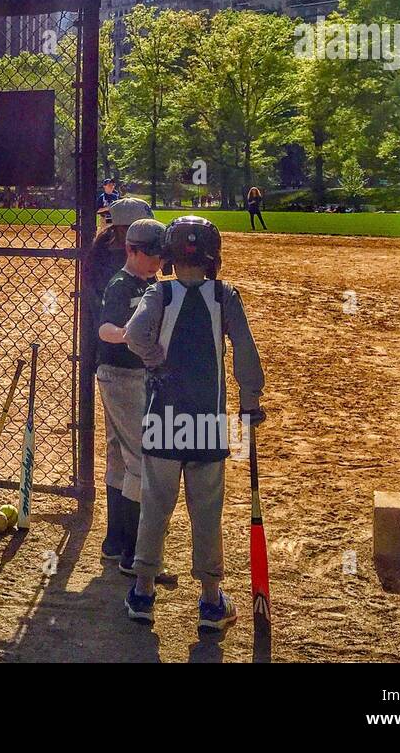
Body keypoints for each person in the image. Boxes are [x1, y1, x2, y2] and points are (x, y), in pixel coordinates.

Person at [122, 215, 265, 632]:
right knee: (207, 511)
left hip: (162, 418)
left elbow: (134, 336)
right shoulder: (225, 296)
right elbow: (245, 353)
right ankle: (209, 600)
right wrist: (251, 401)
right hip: (208, 422)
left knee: (155, 506)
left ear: (167, 255)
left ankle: (144, 591)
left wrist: (155, 361)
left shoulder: (158, 293)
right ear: (212, 257)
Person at [96, 216, 167, 569]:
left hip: (135, 376)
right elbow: (104, 329)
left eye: (160, 255)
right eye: (151, 254)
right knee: (142, 457)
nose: (157, 262)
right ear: (131, 251)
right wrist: (129, 334)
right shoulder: (121, 284)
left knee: (119, 458)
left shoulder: (153, 282)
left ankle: (115, 541)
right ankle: (135, 554)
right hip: (120, 374)